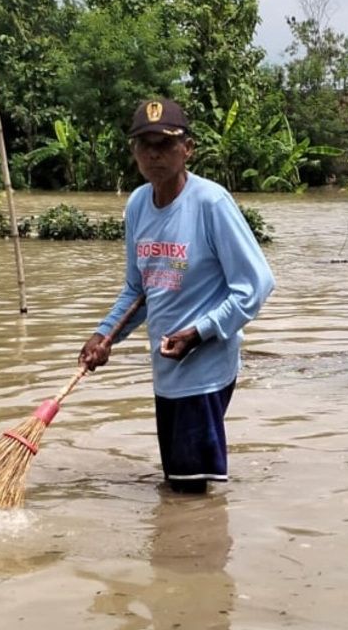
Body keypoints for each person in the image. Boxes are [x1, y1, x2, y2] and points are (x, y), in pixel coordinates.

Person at [79, 98, 274, 494]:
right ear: (134, 152)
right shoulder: (137, 204)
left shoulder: (210, 203)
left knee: (189, 494)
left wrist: (200, 333)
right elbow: (139, 290)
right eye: (144, 144)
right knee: (179, 487)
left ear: (188, 148)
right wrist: (105, 336)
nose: (154, 154)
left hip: (204, 367)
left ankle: (192, 555)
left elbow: (256, 284)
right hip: (166, 368)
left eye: (165, 144)